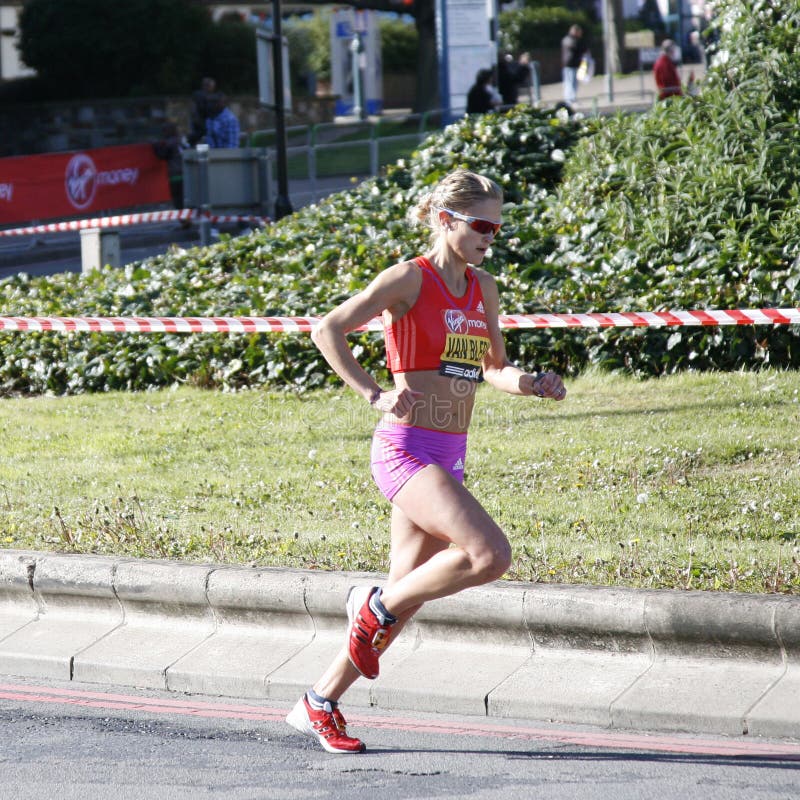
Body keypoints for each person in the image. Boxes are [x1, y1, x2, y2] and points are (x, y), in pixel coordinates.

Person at [285, 169, 567, 754]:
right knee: (489, 555)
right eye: (481, 224)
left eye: (497, 226)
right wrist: (373, 392)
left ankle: (319, 700)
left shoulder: (482, 287)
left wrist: (532, 383)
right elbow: (326, 329)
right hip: (406, 447)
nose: (492, 235)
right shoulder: (409, 280)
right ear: (446, 220)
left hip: (450, 452)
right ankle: (372, 606)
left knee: (406, 597)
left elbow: (491, 367)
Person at [561, 24, 587, 107]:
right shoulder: (569, 39)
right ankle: (569, 100)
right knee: (570, 83)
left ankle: (572, 99)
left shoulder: (573, 39)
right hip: (570, 65)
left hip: (575, 64)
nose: (580, 34)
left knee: (574, 83)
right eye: (579, 32)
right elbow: (576, 47)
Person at [188, 77, 216, 147]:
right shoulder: (202, 96)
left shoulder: (197, 95)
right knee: (202, 145)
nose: (213, 89)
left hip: (200, 125)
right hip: (201, 126)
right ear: (206, 86)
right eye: (211, 87)